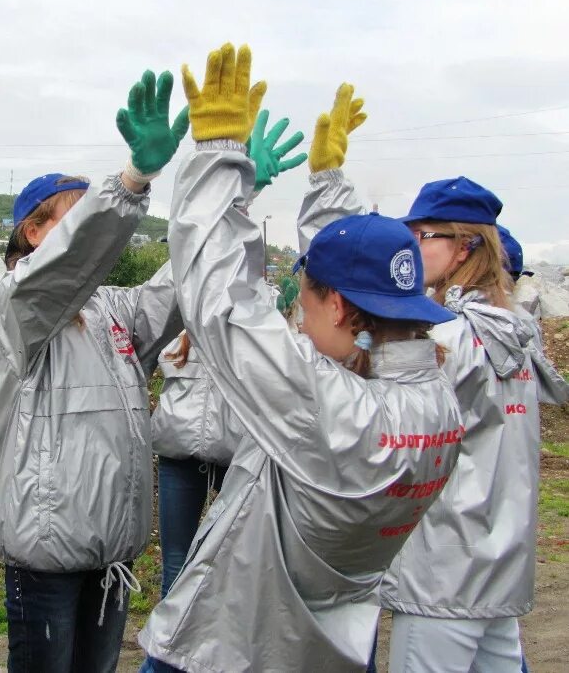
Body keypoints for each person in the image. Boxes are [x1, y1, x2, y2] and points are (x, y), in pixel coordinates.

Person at [138, 44, 462, 672]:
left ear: (337, 307)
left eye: (306, 305)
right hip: (336, 642)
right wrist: (329, 183)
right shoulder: (438, 400)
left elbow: (218, 302)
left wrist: (216, 155)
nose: (299, 324)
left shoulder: (328, 405)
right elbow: (352, 281)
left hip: (235, 648)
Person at [297, 89, 557, 672]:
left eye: (423, 236)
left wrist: (326, 192)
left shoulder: (450, 339)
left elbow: (347, 309)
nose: (410, 247)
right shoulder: (514, 331)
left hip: (443, 569)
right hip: (499, 564)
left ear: (464, 246)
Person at [0, 69, 187, 673]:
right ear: (31, 233)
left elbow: (182, 283)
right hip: (45, 561)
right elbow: (68, 266)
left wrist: (229, 202)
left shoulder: (111, 310)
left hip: (110, 556)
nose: (83, 239)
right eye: (69, 222)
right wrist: (131, 181)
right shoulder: (9, 307)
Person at [151, 108, 307, 604]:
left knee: (225, 556)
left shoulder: (245, 309)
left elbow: (224, 261)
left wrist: (243, 195)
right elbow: (192, 259)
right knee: (176, 560)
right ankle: (172, 636)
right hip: (178, 453)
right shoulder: (179, 308)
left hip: (234, 450)